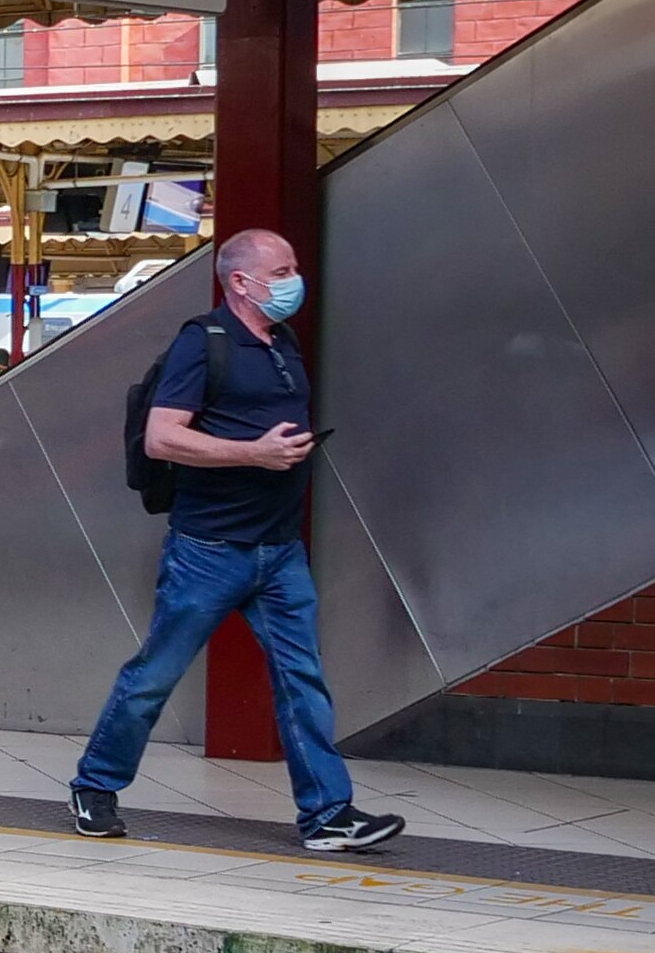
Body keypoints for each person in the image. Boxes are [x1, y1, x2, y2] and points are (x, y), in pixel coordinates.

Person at [69, 227, 405, 855]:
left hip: (279, 549)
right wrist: (254, 453)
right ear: (242, 282)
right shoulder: (204, 343)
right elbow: (162, 438)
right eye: (281, 271)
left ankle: (328, 814)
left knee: (302, 679)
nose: (293, 280)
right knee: (155, 675)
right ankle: (94, 786)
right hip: (209, 549)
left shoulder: (282, 343)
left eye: (293, 266)